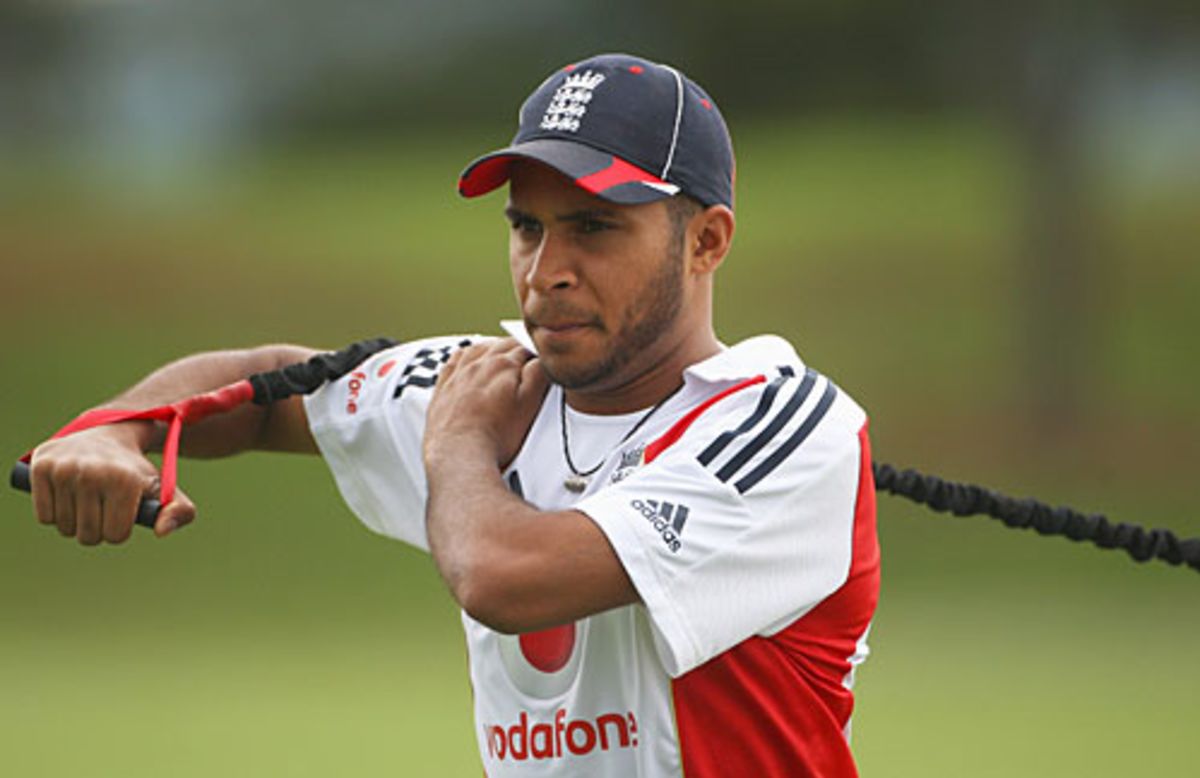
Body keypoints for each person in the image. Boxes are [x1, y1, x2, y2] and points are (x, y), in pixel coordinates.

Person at [26, 53, 880, 777]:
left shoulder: (787, 427)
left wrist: (460, 441)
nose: (548, 269)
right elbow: (262, 388)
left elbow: (503, 578)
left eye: (593, 227)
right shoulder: (496, 383)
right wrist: (117, 429)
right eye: (525, 227)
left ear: (707, 241)